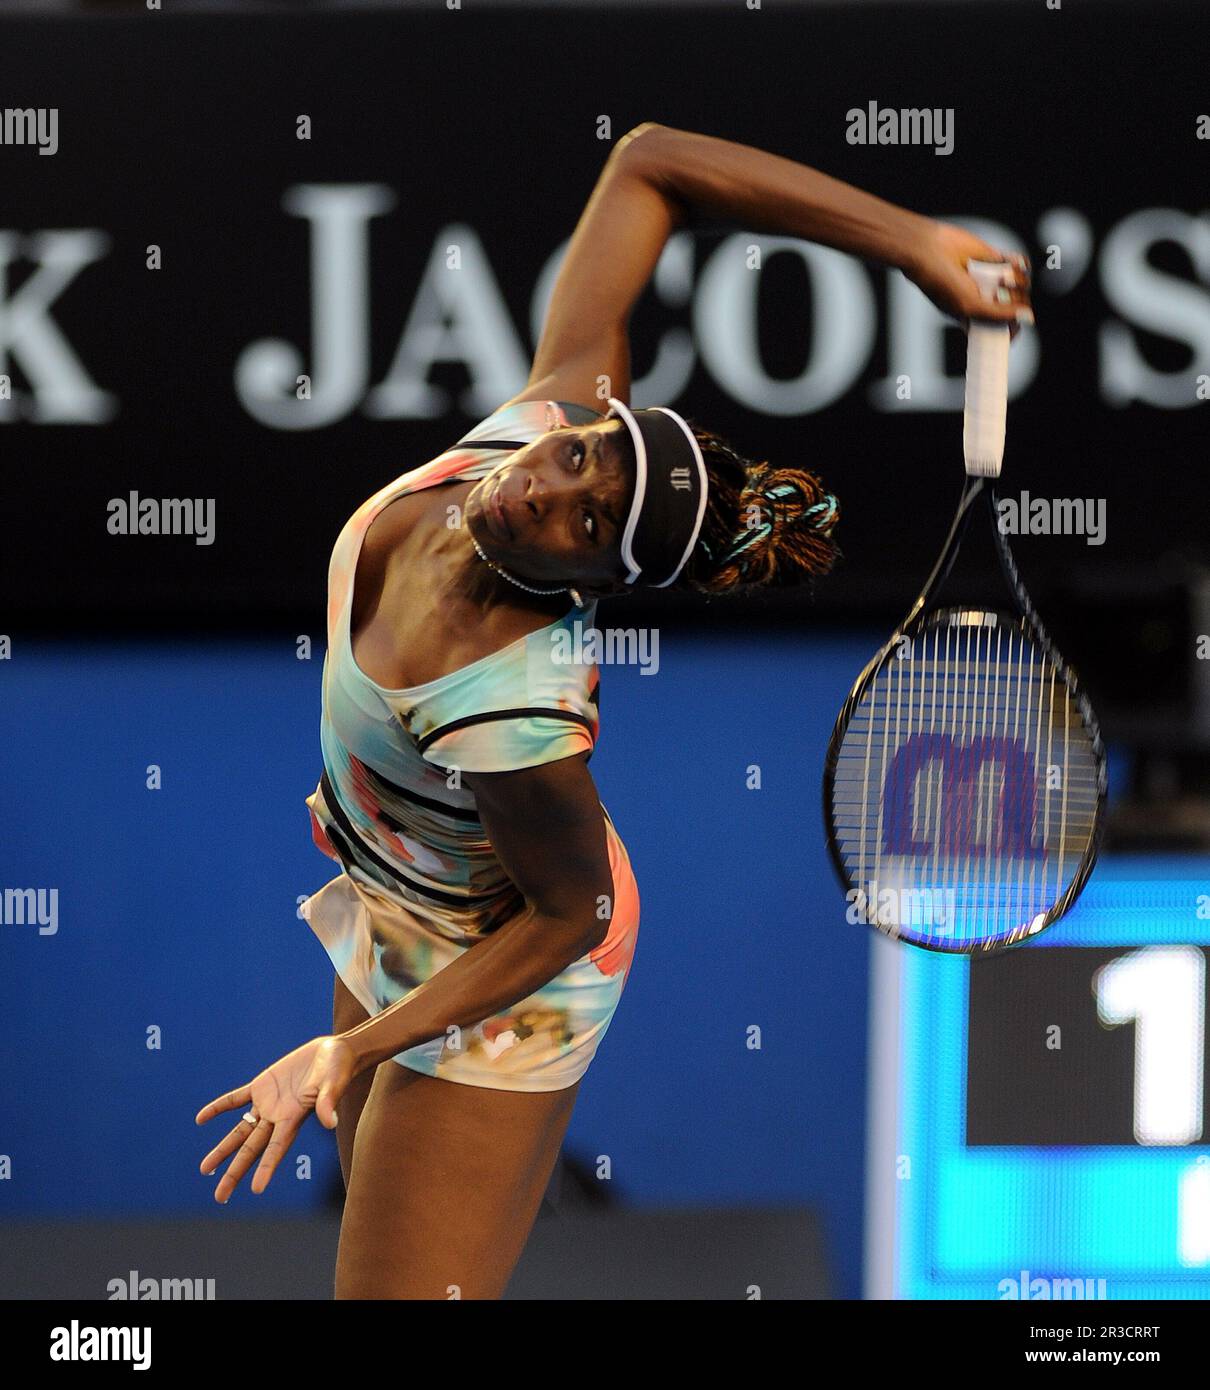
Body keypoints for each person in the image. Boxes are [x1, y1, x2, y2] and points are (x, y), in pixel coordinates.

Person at [196, 122, 1033, 1299]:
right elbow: (649, 162)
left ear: (594, 592)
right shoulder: (538, 426)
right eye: (586, 455)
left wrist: (347, 1045)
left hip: (517, 959)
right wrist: (914, 243)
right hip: (407, 894)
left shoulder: (513, 706)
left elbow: (573, 909)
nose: (549, 486)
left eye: (587, 525)